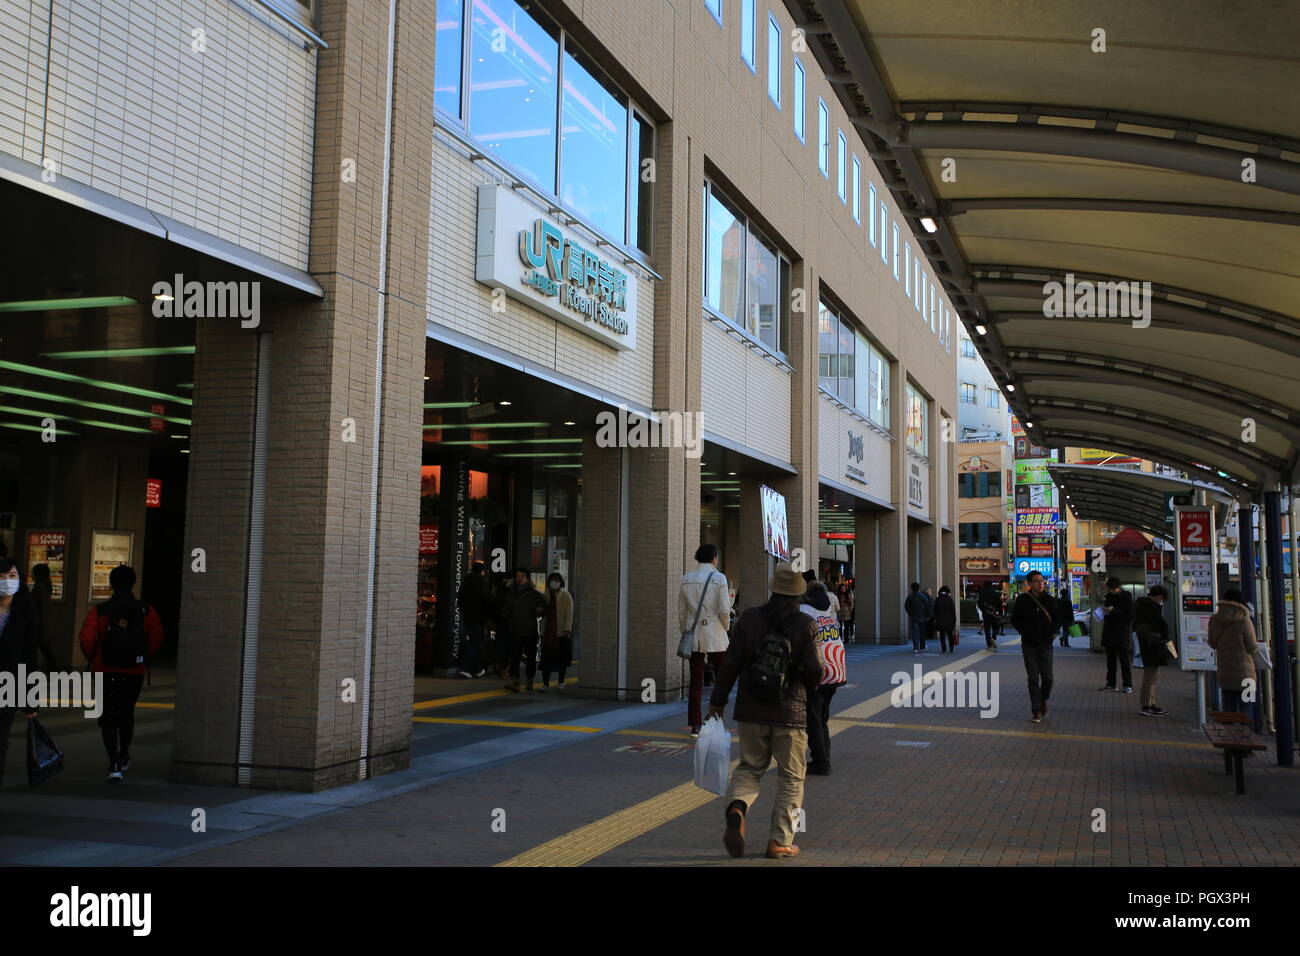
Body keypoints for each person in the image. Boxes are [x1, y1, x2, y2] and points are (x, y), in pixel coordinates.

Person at [709, 562, 821, 860]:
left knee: (749, 768)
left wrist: (717, 703)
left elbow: (730, 664)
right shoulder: (805, 625)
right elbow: (814, 671)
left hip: (751, 709)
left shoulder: (749, 618)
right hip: (790, 714)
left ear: (774, 589)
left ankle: (737, 808)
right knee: (792, 777)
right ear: (798, 595)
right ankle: (779, 841)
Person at [77, 565, 165, 782]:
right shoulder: (145, 610)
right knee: (127, 712)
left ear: (111, 583)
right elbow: (157, 637)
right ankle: (124, 754)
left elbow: (86, 639)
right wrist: (142, 655)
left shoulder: (100, 610)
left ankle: (113, 762)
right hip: (133, 670)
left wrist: (94, 658)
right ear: (133, 582)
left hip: (105, 669)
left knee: (109, 715)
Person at [678, 544, 732, 736]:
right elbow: (725, 609)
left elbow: (682, 611)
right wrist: (726, 627)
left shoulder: (687, 578)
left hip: (694, 634)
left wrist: (685, 631)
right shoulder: (719, 578)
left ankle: (695, 724)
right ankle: (717, 719)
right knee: (721, 678)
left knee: (696, 681)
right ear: (714, 558)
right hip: (715, 632)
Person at [799, 578, 845, 775]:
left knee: (813, 717)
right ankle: (824, 755)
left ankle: (821, 761)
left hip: (819, 668)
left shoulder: (805, 611)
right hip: (837, 668)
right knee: (822, 716)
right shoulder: (828, 612)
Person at [0, 557, 39, 788]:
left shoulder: (25, 611)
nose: (7, 581)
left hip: (7, 687)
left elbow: (29, 656)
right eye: (2, 576)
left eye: (12, 576)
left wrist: (30, 700)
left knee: (0, 744)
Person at [1011, 571, 1058, 722]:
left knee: (1048, 678)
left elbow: (1058, 620)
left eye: (1042, 580)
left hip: (1046, 644)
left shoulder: (1050, 600)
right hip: (1029, 645)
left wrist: (1052, 633)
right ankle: (1036, 709)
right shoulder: (1023, 600)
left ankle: (1044, 698)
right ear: (1029, 584)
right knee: (1032, 678)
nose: (1040, 583)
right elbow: (1015, 620)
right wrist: (1025, 632)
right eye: (1036, 581)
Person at [1207, 588, 1258, 720]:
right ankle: (1246, 738)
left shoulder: (1215, 619)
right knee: (1247, 712)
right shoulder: (1244, 620)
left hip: (1225, 674)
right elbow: (1252, 647)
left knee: (1228, 712)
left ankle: (1230, 738)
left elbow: (1212, 643)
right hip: (1246, 677)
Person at [499, 567, 547, 692]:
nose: (519, 578)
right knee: (514, 657)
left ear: (527, 579)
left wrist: (539, 612)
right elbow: (504, 608)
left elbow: (545, 607)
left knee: (531, 657)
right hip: (515, 630)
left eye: (522, 576)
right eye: (518, 576)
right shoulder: (510, 593)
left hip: (530, 630)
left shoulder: (534, 594)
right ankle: (516, 683)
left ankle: (529, 681)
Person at [1133, 585, 1170, 717]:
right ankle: (1146, 704)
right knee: (1150, 676)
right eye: (1162, 599)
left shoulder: (1143, 606)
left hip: (1149, 644)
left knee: (1152, 676)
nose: (1161, 601)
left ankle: (1151, 703)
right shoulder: (1150, 608)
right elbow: (1160, 626)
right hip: (1152, 645)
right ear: (1158, 596)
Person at [455, 562, 492, 679]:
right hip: (478, 618)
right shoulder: (482, 583)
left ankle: (478, 668)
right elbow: (487, 601)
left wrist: (464, 612)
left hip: (467, 617)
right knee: (476, 643)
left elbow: (460, 599)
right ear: (482, 571)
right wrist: (488, 618)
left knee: (475, 642)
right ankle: (465, 669)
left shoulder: (465, 582)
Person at [538, 572, 574, 692]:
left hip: (561, 633)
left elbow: (569, 614)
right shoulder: (545, 595)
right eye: (552, 580)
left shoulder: (566, 596)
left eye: (557, 580)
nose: (554, 582)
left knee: (561, 658)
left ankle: (561, 681)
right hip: (548, 632)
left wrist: (567, 629)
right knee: (546, 659)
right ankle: (545, 684)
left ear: (561, 582)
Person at [1099, 577, 1134, 693]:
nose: (1110, 591)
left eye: (1111, 589)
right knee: (1110, 660)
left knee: (1124, 660)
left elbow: (1129, 616)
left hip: (1122, 633)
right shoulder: (1109, 597)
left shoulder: (1126, 597)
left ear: (1116, 588)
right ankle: (1111, 684)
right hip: (1110, 632)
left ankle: (1127, 685)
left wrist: (1113, 611)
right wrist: (1103, 612)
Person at [30, 563, 56, 671]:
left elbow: (36, 606)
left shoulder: (39, 588)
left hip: (39, 624)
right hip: (43, 623)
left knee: (42, 649)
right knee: (45, 649)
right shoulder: (46, 586)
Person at [904, 582, 929, 653]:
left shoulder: (910, 597)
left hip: (914, 617)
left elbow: (906, 606)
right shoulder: (923, 596)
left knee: (915, 633)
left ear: (911, 588)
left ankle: (915, 648)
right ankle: (922, 646)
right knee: (922, 632)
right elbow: (927, 606)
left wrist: (910, 613)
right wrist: (927, 615)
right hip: (922, 617)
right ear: (918, 588)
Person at [933, 585, 957, 654]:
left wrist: (935, 619)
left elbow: (935, 610)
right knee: (950, 635)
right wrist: (954, 620)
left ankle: (943, 649)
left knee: (942, 635)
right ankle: (951, 649)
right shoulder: (950, 599)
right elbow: (953, 610)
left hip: (940, 620)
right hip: (949, 620)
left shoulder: (937, 599)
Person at [978, 582, 1000, 649]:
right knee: (995, 626)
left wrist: (983, 610)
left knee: (987, 629)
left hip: (986, 613)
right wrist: (998, 611)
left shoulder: (982, 593)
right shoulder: (995, 593)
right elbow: (999, 603)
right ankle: (993, 637)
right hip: (994, 613)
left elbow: (979, 604)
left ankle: (989, 645)